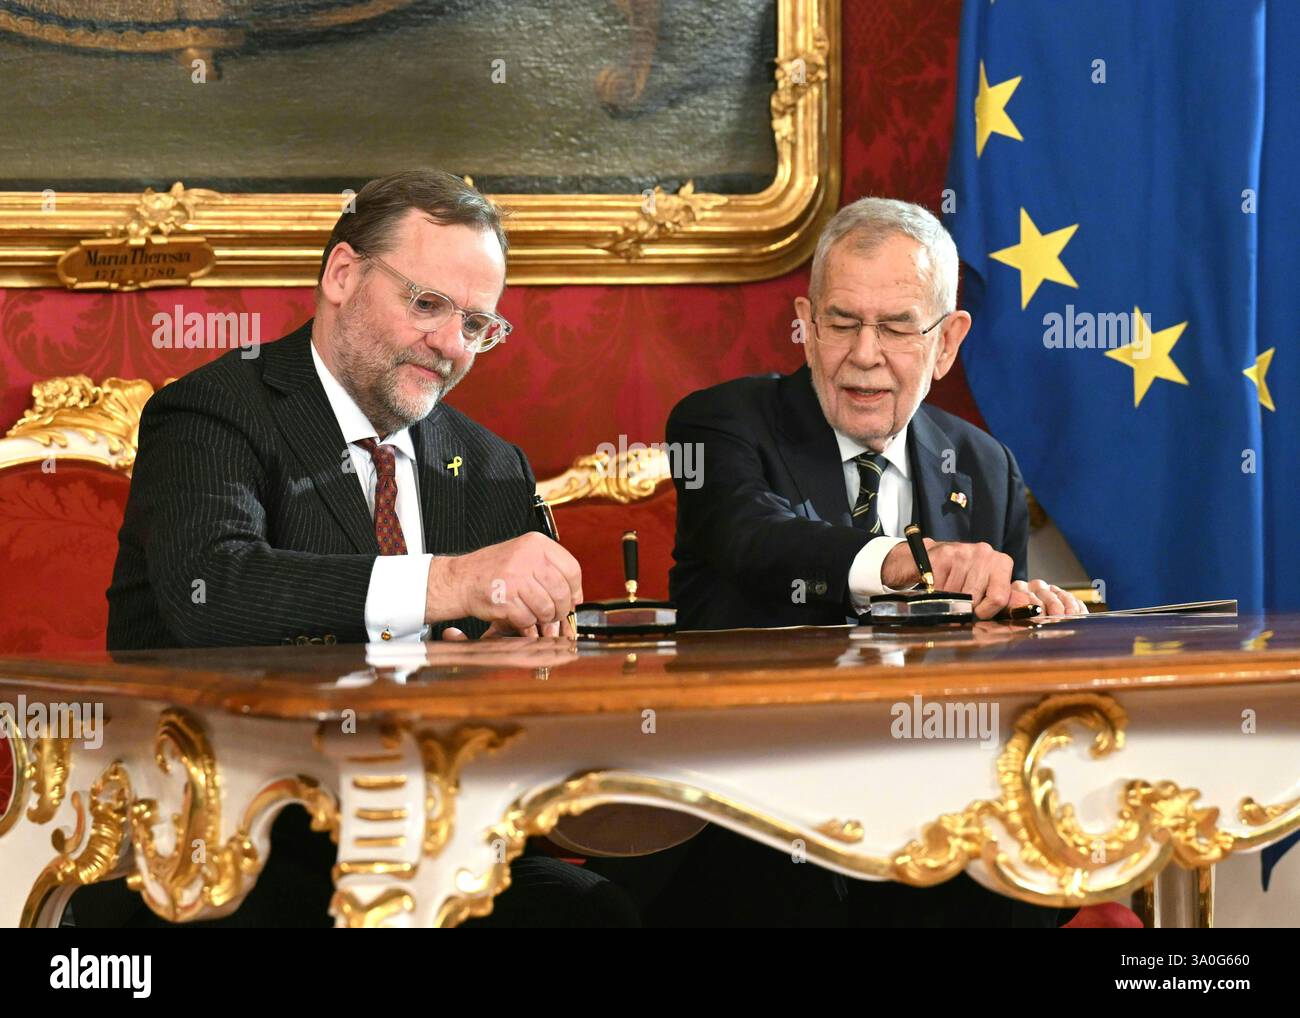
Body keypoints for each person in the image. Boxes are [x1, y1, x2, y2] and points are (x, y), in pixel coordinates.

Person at [88, 169, 634, 928]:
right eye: (427, 304)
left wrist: (517, 657)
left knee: (593, 914)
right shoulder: (214, 409)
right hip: (232, 840)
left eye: (477, 324)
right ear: (342, 274)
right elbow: (213, 589)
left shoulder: (489, 464)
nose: (450, 344)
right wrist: (445, 582)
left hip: (444, 828)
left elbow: (527, 669)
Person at [654, 196, 1085, 926]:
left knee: (1022, 895)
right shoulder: (718, 423)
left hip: (928, 810)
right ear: (806, 321)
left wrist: (1025, 619)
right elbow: (752, 538)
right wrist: (906, 562)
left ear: (947, 343)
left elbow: (990, 683)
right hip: (750, 808)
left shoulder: (984, 466)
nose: (863, 355)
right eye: (842, 322)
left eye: (895, 328)